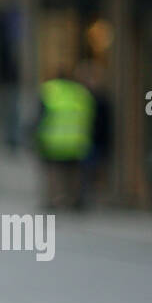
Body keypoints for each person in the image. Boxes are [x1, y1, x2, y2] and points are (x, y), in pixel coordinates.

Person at [37, 69, 95, 209]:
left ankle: (53, 200)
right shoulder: (81, 93)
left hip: (53, 140)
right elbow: (91, 117)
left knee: (53, 173)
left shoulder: (49, 90)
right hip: (76, 141)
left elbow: (40, 116)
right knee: (74, 173)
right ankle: (74, 200)